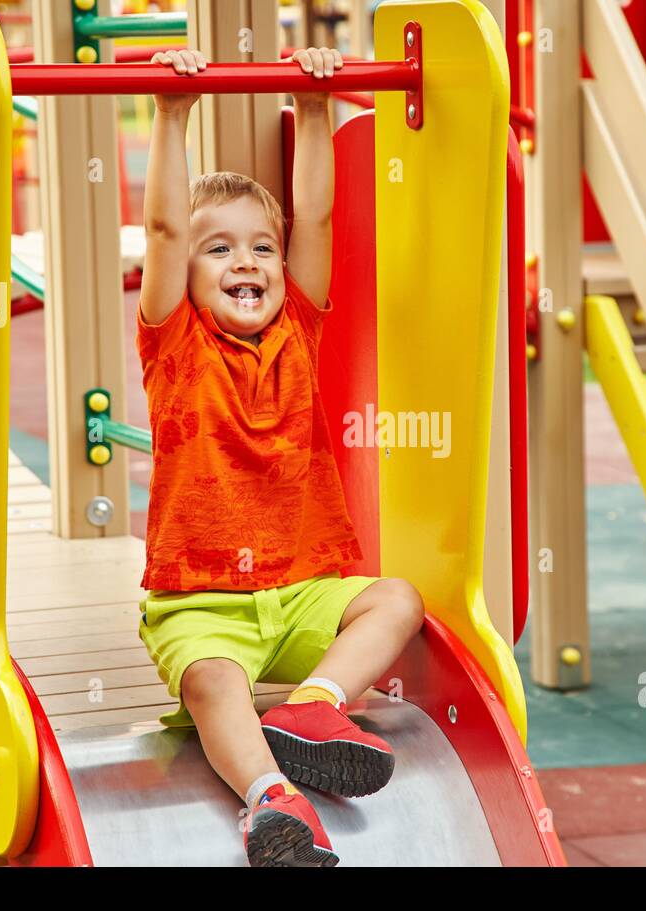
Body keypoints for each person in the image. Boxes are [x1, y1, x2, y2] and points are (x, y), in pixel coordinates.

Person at [135, 46, 425, 867]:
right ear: (181, 272)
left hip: (300, 588)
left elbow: (320, 220)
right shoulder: (174, 344)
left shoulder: (298, 325)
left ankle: (312, 704)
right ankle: (273, 800)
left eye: (260, 247)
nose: (246, 264)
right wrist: (170, 111)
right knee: (212, 684)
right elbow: (161, 226)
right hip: (201, 598)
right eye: (218, 249)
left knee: (397, 600)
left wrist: (320, 104)